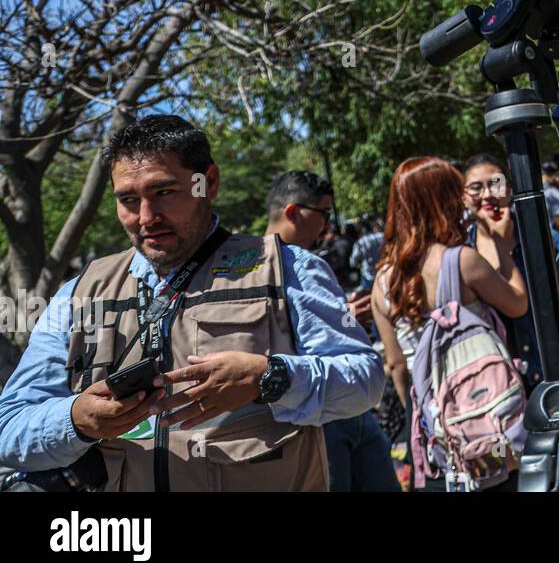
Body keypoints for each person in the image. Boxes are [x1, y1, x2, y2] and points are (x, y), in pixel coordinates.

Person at [0, 116, 384, 491]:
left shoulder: (289, 269)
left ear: (209, 182)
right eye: (129, 200)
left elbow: (365, 380)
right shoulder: (77, 294)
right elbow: (10, 426)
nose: (147, 217)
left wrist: (271, 378)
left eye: (164, 192)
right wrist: (76, 420)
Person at [369, 156, 529, 490]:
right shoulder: (461, 261)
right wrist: (502, 245)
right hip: (485, 410)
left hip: (436, 422)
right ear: (442, 201)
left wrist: (425, 408)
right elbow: (517, 304)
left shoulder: (382, 282)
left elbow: (396, 364)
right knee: (501, 479)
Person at [265, 170, 399, 492]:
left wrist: (344, 318)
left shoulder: (303, 261)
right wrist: (346, 319)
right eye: (323, 213)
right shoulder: (261, 269)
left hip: (351, 409)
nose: (327, 224)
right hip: (318, 421)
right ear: (294, 212)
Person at [461, 154, 559, 390]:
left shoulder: (537, 232)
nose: (488, 195)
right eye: (476, 188)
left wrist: (546, 248)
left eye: (496, 183)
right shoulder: (464, 252)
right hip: (505, 384)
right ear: (464, 197)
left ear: (509, 189)